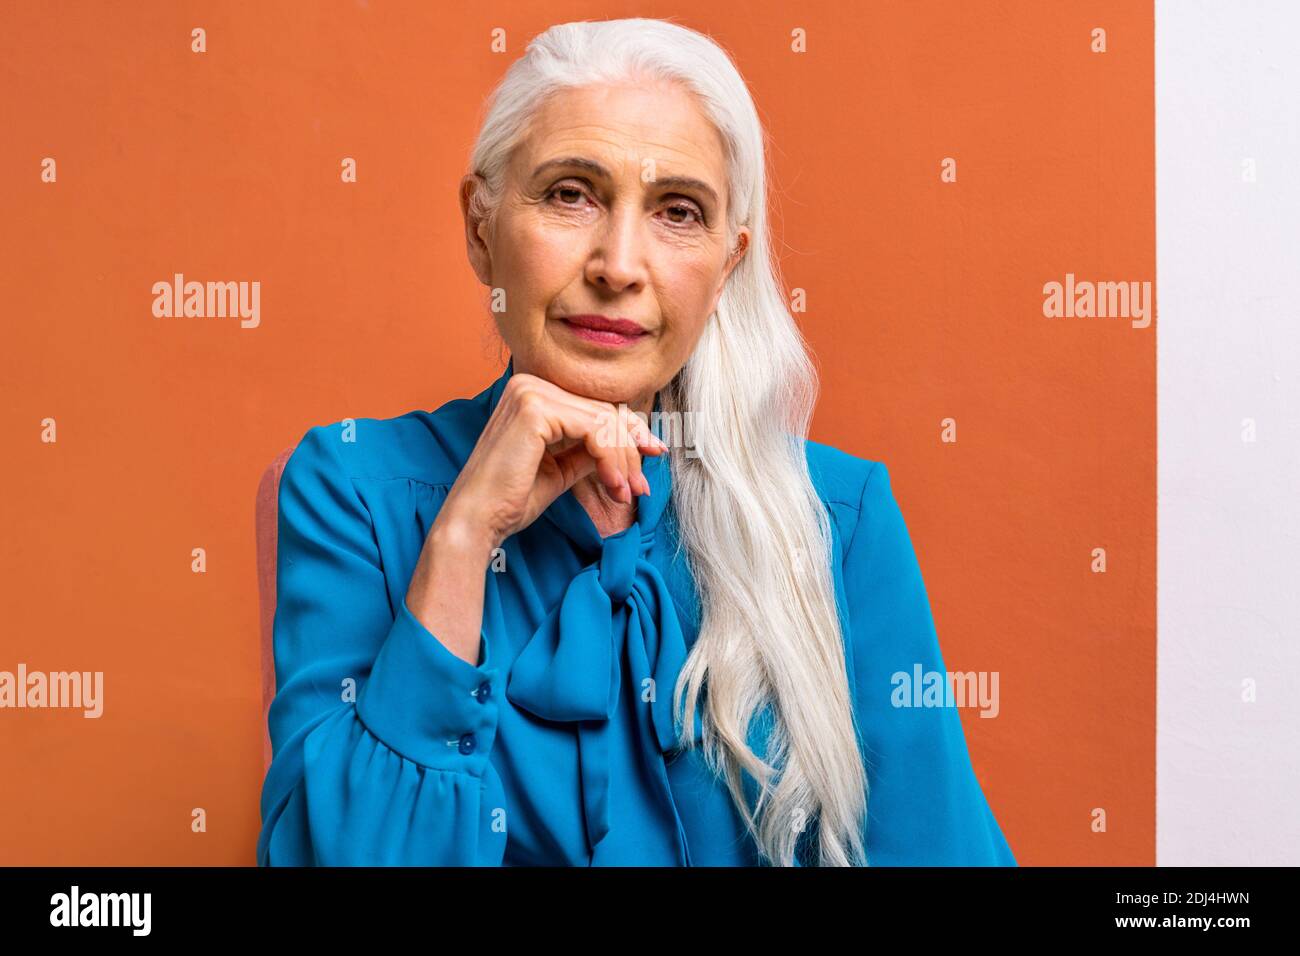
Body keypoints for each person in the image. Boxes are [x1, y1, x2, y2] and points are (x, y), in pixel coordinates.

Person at [257, 17, 1017, 867]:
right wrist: (465, 538)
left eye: (677, 213)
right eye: (570, 194)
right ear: (481, 228)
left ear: (727, 265)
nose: (618, 264)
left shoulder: (839, 520)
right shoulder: (353, 489)